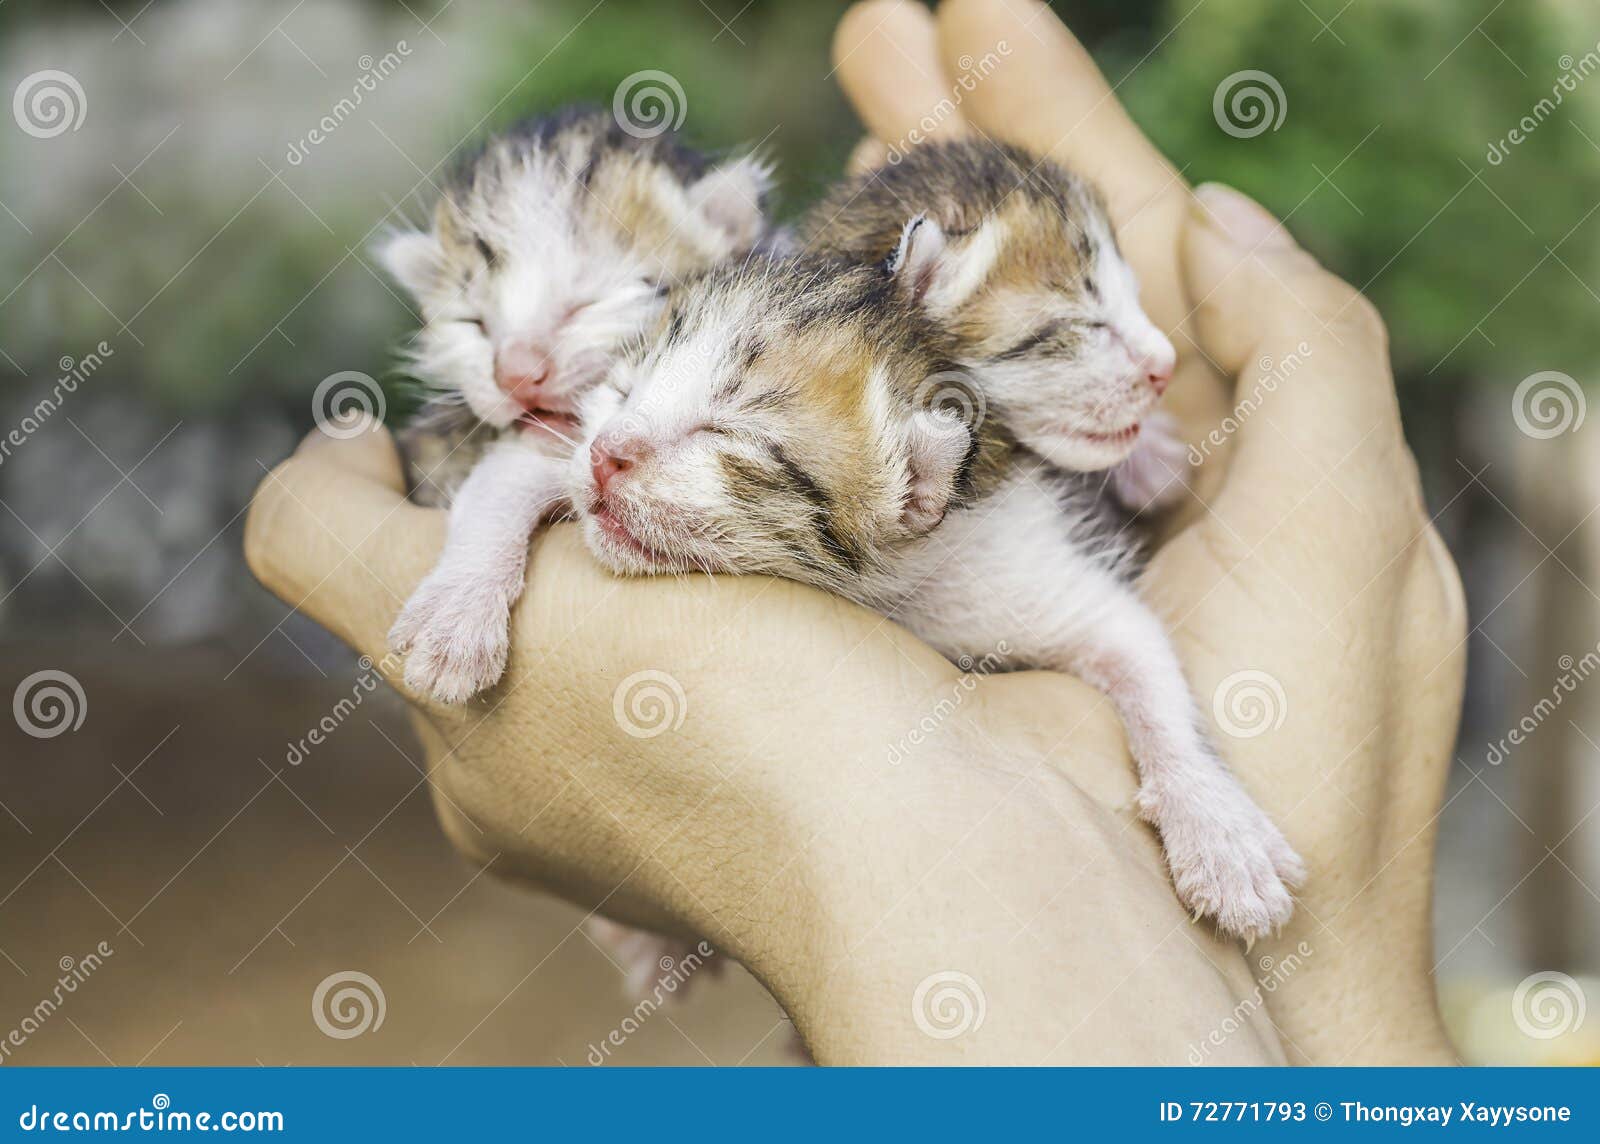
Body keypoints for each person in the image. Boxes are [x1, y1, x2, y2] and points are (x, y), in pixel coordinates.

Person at [244, 0, 1466, 1064]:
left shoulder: (915, 463)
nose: (566, 407)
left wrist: (1187, 789)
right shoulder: (692, 370)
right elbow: (543, 467)